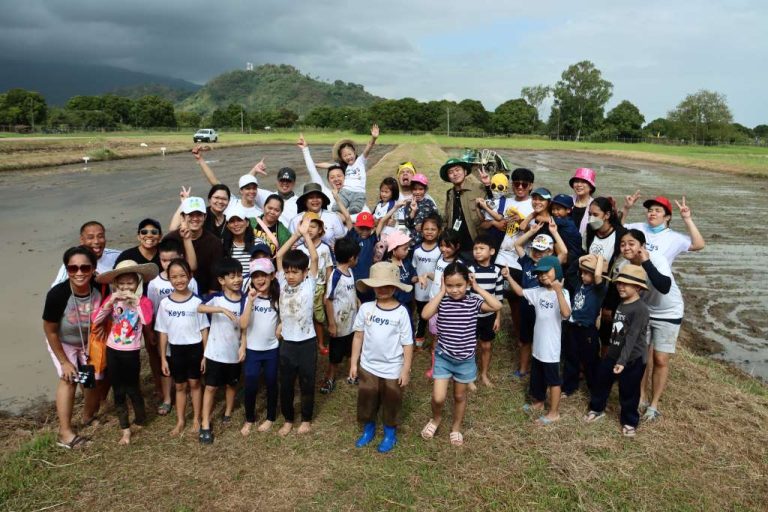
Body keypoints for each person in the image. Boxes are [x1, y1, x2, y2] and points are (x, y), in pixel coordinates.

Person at [420, 262, 502, 446]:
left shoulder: (474, 302)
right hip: (443, 358)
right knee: (438, 397)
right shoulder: (442, 301)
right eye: (450, 285)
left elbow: (496, 305)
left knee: (459, 396)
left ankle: (456, 427)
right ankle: (436, 419)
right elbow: (425, 315)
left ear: (467, 283)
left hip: (465, 361)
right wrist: (441, 292)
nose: (455, 290)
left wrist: (477, 288)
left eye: (459, 285)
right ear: (444, 283)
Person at [617, 229, 683, 421]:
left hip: (669, 311)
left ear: (642, 246)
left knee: (660, 359)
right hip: (644, 312)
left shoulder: (657, 259)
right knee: (641, 357)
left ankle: (654, 405)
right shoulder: (623, 266)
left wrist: (646, 262)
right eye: (623, 244)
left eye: (631, 243)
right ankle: (641, 397)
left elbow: (664, 286)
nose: (626, 247)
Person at [350, 262, 415, 453]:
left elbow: (407, 343)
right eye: (378, 285)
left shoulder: (402, 312)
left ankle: (389, 433)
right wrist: (354, 362)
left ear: (395, 287)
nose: (383, 289)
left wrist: (406, 369)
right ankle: (368, 429)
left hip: (393, 367)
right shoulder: (366, 308)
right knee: (367, 397)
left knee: (392, 399)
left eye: (387, 285)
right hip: (368, 365)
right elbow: (358, 335)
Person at [92, 260, 158, 445]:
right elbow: (96, 320)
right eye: (121, 283)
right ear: (115, 284)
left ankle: (140, 418)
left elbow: (146, 320)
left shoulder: (143, 301)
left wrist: (136, 302)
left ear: (137, 283)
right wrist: (110, 302)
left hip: (131, 351)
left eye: (130, 283)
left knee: (132, 388)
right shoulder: (112, 300)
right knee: (118, 389)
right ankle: (125, 429)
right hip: (112, 349)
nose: (125, 287)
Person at [43, 246, 104, 449]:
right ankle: (65, 432)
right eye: (73, 268)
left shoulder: (101, 288)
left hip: (89, 342)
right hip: (63, 342)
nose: (79, 273)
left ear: (93, 268)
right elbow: (50, 331)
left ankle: (87, 416)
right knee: (69, 378)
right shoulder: (57, 295)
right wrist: (64, 361)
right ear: (67, 270)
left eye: (85, 267)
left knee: (93, 379)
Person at [503, 256, 571, 425]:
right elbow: (520, 292)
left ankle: (554, 412)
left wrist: (558, 291)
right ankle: (539, 402)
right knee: (537, 376)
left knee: (553, 380)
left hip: (551, 348)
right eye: (539, 273)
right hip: (538, 346)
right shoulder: (538, 291)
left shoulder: (563, 293)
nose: (542, 276)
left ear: (557, 270)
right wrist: (508, 276)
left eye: (546, 271)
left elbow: (566, 313)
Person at [585, 264, 650, 437]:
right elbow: (617, 331)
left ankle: (629, 421)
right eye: (619, 283)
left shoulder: (641, 309)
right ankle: (597, 409)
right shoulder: (622, 304)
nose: (620, 286)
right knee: (601, 381)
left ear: (637, 287)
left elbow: (632, 337)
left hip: (632, 359)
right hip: (613, 354)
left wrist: (622, 361)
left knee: (629, 390)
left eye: (625, 284)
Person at [156, 258, 210, 436]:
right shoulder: (165, 304)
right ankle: (180, 421)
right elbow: (163, 332)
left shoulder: (197, 302)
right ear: (169, 279)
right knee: (179, 386)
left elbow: (204, 330)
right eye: (174, 277)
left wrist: (205, 355)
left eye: (182, 276)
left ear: (190, 276)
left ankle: (196, 418)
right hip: (176, 350)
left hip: (194, 349)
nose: (179, 280)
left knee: (195, 383)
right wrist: (163, 357)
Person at [275, 217, 319, 436]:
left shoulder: (309, 283)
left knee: (307, 382)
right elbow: (280, 255)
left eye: (295, 272)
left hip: (307, 342)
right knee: (286, 384)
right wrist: (295, 234)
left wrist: (307, 236)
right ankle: (288, 419)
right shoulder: (282, 281)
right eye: (288, 271)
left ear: (304, 273)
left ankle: (307, 419)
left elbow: (314, 257)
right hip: (287, 343)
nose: (290, 276)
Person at [146, 239, 199, 416]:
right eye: (164, 260)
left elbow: (196, 306)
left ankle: (190, 393)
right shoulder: (154, 284)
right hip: (165, 329)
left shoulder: (191, 281)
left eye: (172, 260)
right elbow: (152, 309)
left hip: (186, 331)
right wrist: (152, 331)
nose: (168, 264)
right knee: (166, 362)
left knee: (187, 363)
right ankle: (168, 398)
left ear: (181, 258)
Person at [511, 220, 568, 379]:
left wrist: (555, 232)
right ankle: (523, 369)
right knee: (525, 339)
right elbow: (517, 245)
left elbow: (564, 252)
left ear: (550, 251)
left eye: (542, 250)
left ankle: (541, 369)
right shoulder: (527, 262)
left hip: (544, 310)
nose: (537, 253)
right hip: (526, 306)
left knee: (542, 339)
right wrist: (531, 232)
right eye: (535, 249)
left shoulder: (552, 265)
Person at [197, 258, 245, 444]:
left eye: (239, 275)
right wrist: (221, 310)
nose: (237, 280)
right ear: (221, 280)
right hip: (215, 353)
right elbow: (199, 307)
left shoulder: (245, 300)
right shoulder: (216, 299)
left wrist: (243, 345)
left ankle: (227, 412)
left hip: (234, 352)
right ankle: (205, 423)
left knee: (232, 384)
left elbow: (246, 326)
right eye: (232, 276)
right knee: (210, 387)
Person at [492, 168, 535, 346]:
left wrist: (520, 220)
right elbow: (489, 216)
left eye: (524, 184)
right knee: (493, 293)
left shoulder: (535, 205)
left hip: (520, 258)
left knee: (517, 299)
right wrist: (497, 222)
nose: (519, 187)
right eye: (516, 183)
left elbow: (534, 230)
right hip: (500, 254)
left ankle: (520, 336)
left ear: (531, 186)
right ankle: (491, 331)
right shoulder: (505, 201)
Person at [240, 258, 281, 434]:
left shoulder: (277, 298)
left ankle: (271, 417)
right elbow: (243, 324)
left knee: (272, 383)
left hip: (272, 349)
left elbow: (283, 318)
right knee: (250, 384)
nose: (260, 280)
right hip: (252, 350)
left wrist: (281, 326)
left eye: (263, 275)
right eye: (255, 276)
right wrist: (250, 301)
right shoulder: (248, 298)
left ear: (272, 276)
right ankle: (249, 418)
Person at [562, 254, 607, 397]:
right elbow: (570, 272)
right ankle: (569, 387)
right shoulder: (579, 285)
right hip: (573, 327)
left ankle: (595, 391)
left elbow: (599, 277)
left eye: (587, 273)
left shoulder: (599, 290)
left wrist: (599, 259)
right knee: (571, 357)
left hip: (587, 330)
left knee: (591, 361)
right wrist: (581, 259)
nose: (582, 275)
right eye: (582, 272)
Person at [321, 237, 361, 394]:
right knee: (335, 355)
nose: (357, 259)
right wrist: (331, 324)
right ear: (352, 258)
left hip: (351, 322)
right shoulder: (336, 276)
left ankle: (353, 373)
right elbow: (328, 300)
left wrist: (356, 300)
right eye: (357, 257)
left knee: (352, 350)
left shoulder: (350, 272)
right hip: (339, 324)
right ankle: (330, 378)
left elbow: (350, 291)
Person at [622, 193, 705, 264]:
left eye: (657, 211)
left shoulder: (674, 238)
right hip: (634, 278)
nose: (652, 213)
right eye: (650, 210)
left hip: (659, 281)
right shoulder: (639, 227)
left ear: (667, 217)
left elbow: (699, 245)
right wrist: (626, 208)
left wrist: (687, 218)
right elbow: (618, 228)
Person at [163, 196, 222, 294]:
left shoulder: (214, 242)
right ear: (183, 217)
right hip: (174, 293)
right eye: (190, 215)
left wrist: (211, 298)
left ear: (205, 216)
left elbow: (215, 275)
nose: (195, 218)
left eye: (199, 215)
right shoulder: (171, 239)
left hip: (204, 295)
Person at [468, 234, 504, 387]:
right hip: (471, 315)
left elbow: (499, 298)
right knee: (470, 346)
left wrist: (497, 317)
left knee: (486, 345)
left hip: (489, 316)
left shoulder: (497, 272)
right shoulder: (469, 270)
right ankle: (469, 377)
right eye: (475, 248)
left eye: (482, 248)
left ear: (492, 251)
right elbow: (466, 294)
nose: (477, 251)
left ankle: (483, 374)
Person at [297, 213, 334, 356]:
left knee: (318, 317)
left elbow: (329, 269)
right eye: (307, 226)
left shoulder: (324, 248)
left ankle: (320, 342)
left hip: (319, 287)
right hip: (303, 287)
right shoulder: (300, 248)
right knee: (304, 314)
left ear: (320, 230)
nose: (310, 230)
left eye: (313, 226)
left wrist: (328, 291)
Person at [193, 148, 267, 219]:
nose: (251, 191)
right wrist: (200, 159)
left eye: (254, 188)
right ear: (241, 191)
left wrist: (255, 171)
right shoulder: (232, 202)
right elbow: (214, 181)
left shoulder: (260, 213)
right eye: (248, 188)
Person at [441, 158, 486, 260]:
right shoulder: (450, 193)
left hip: (474, 243)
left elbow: (494, 204)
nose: (455, 174)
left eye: (457, 170)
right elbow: (447, 218)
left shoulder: (479, 188)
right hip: (454, 245)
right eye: (451, 172)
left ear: (465, 172)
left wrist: (488, 185)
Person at [51, 221, 121, 285]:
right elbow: (55, 288)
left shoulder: (119, 256)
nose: (96, 241)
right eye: (90, 237)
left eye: (100, 236)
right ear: (82, 240)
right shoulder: (73, 264)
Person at [412, 214, 441, 347]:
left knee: (436, 313)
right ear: (421, 230)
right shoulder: (417, 249)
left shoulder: (441, 249)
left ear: (439, 231)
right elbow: (414, 267)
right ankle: (420, 336)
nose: (429, 232)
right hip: (420, 289)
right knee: (422, 313)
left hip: (435, 289)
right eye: (426, 229)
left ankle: (437, 337)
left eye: (433, 229)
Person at [386, 231, 417, 315]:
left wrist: (419, 278)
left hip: (408, 301)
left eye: (408, 248)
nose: (407, 251)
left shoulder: (407, 262)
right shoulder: (387, 266)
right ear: (393, 249)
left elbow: (412, 278)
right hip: (394, 302)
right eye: (404, 249)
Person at [222, 204, 255, 282]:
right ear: (227, 225)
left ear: (247, 223)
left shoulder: (258, 243)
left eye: (239, 220)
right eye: (232, 221)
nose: (236, 224)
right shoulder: (223, 244)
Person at [403, 173, 438, 246]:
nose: (417, 192)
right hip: (412, 242)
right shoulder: (408, 204)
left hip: (427, 241)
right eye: (415, 189)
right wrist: (413, 210)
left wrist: (424, 226)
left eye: (421, 189)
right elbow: (407, 224)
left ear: (425, 190)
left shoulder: (430, 203)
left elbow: (437, 220)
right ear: (411, 190)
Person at [569, 167, 596, 234]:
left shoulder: (596, 205)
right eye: (576, 181)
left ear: (591, 187)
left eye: (583, 182)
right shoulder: (567, 200)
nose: (579, 185)